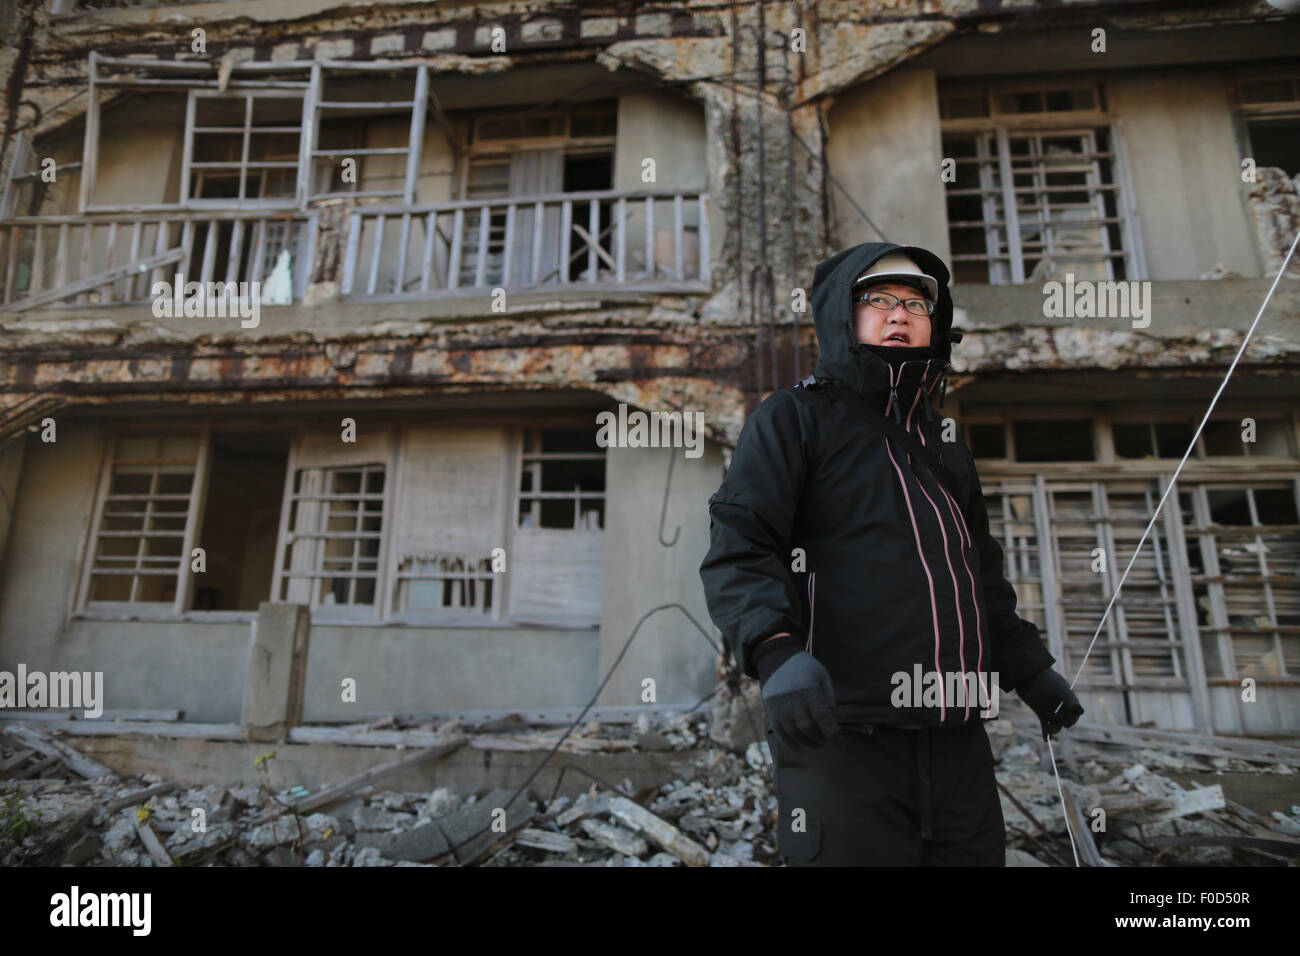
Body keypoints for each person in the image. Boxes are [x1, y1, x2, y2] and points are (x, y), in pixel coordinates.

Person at [699, 241, 1084, 866]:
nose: (899, 313)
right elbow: (741, 547)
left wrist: (1031, 669)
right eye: (876, 299)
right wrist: (776, 650)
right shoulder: (794, 418)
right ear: (841, 315)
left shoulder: (946, 444)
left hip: (958, 739)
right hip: (844, 735)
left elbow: (979, 573)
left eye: (915, 302)